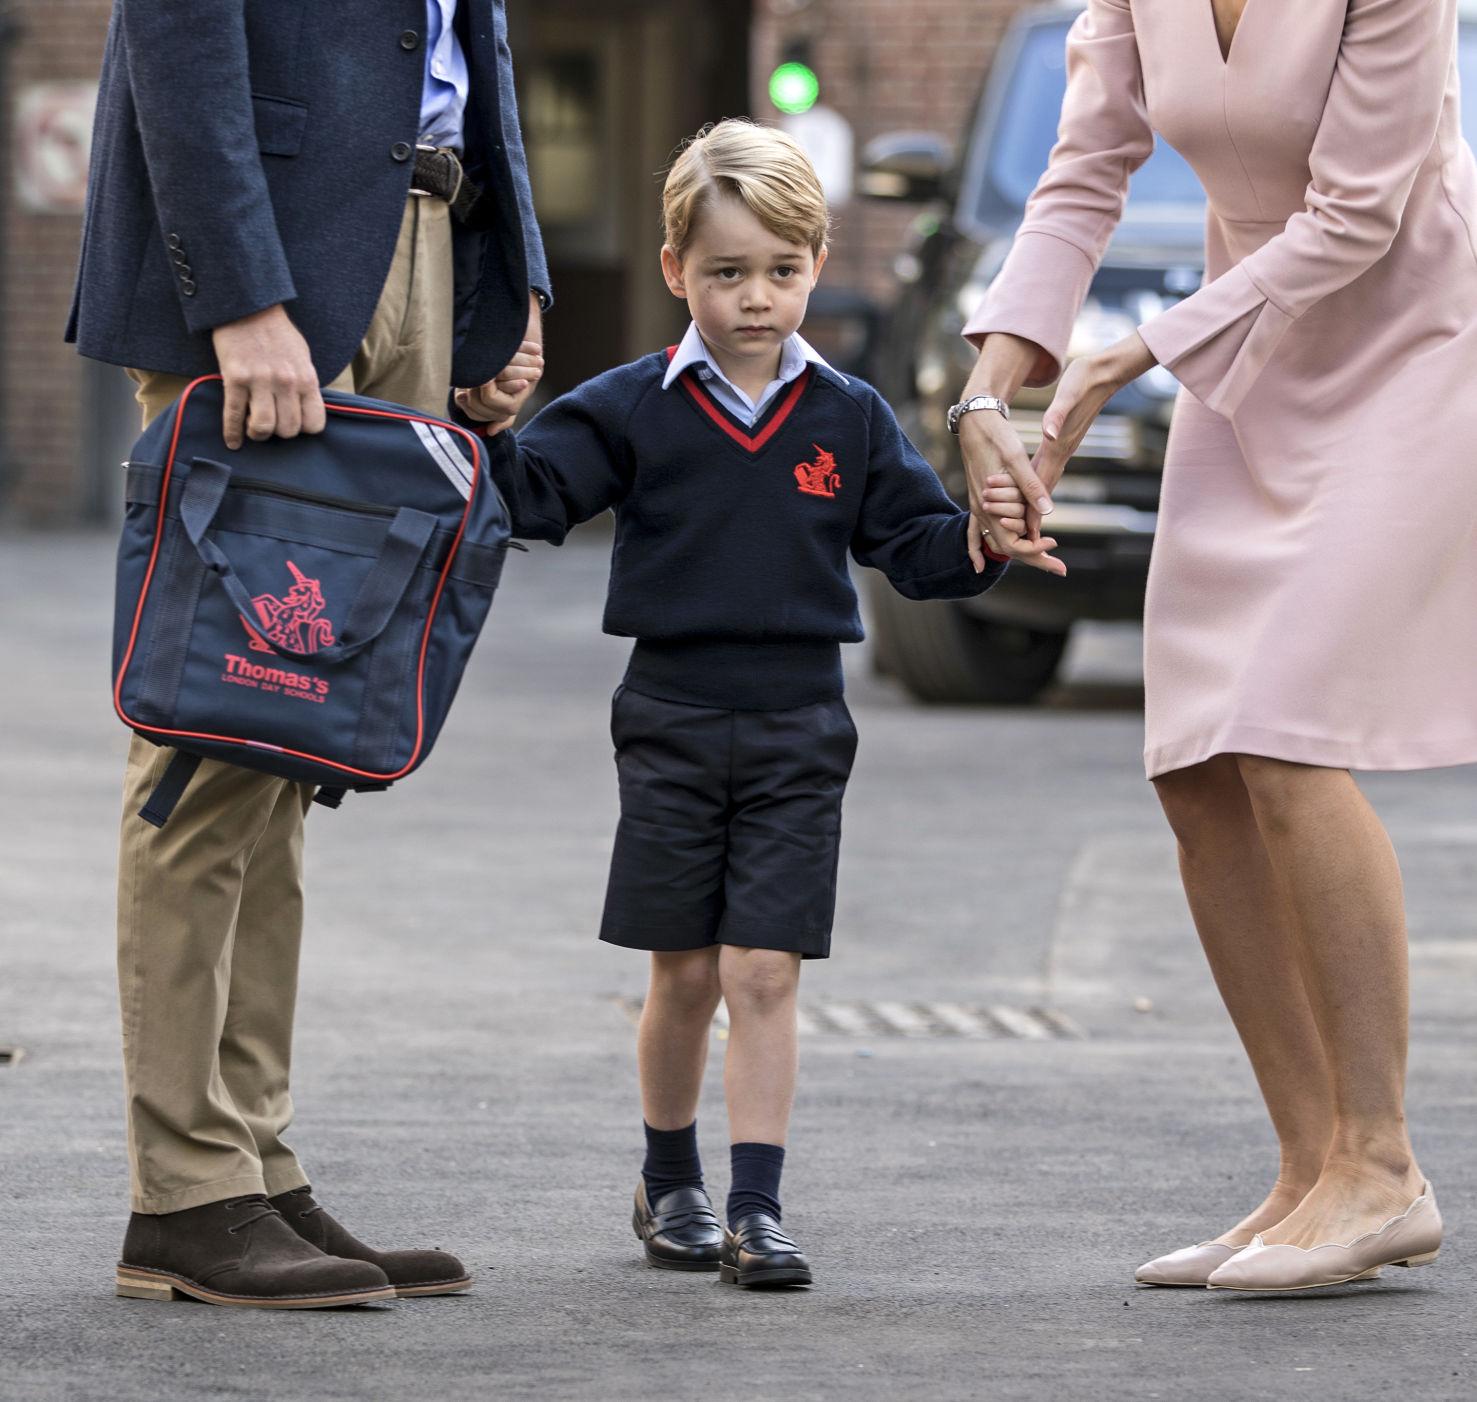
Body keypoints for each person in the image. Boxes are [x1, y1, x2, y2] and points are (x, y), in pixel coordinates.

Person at [461, 119, 1041, 1288]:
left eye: (781, 269)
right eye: (726, 272)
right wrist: (488, 419)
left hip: (799, 728)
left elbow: (917, 547)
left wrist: (986, 538)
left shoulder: (849, 415)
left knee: (764, 971)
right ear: (676, 270)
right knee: (682, 971)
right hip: (669, 718)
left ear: (817, 264)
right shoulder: (634, 405)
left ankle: (757, 1208)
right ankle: (668, 1180)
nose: (756, 298)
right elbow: (529, 497)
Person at [959, 0, 1475, 1292]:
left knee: (1286, 730)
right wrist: (985, 393)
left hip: (1409, 348)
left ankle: (1382, 1165)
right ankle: (1308, 1170)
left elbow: (1358, 215)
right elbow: (1083, 171)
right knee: (1195, 764)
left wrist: (1137, 351)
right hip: (1244, 358)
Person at [68, 0, 549, 1309]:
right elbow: (177, 25)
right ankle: (185, 1191)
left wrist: (507, 279)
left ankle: (253, 1160)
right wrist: (238, 293)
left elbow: (461, 38)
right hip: (271, 255)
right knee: (210, 732)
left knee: (290, 738)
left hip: (418, 230)